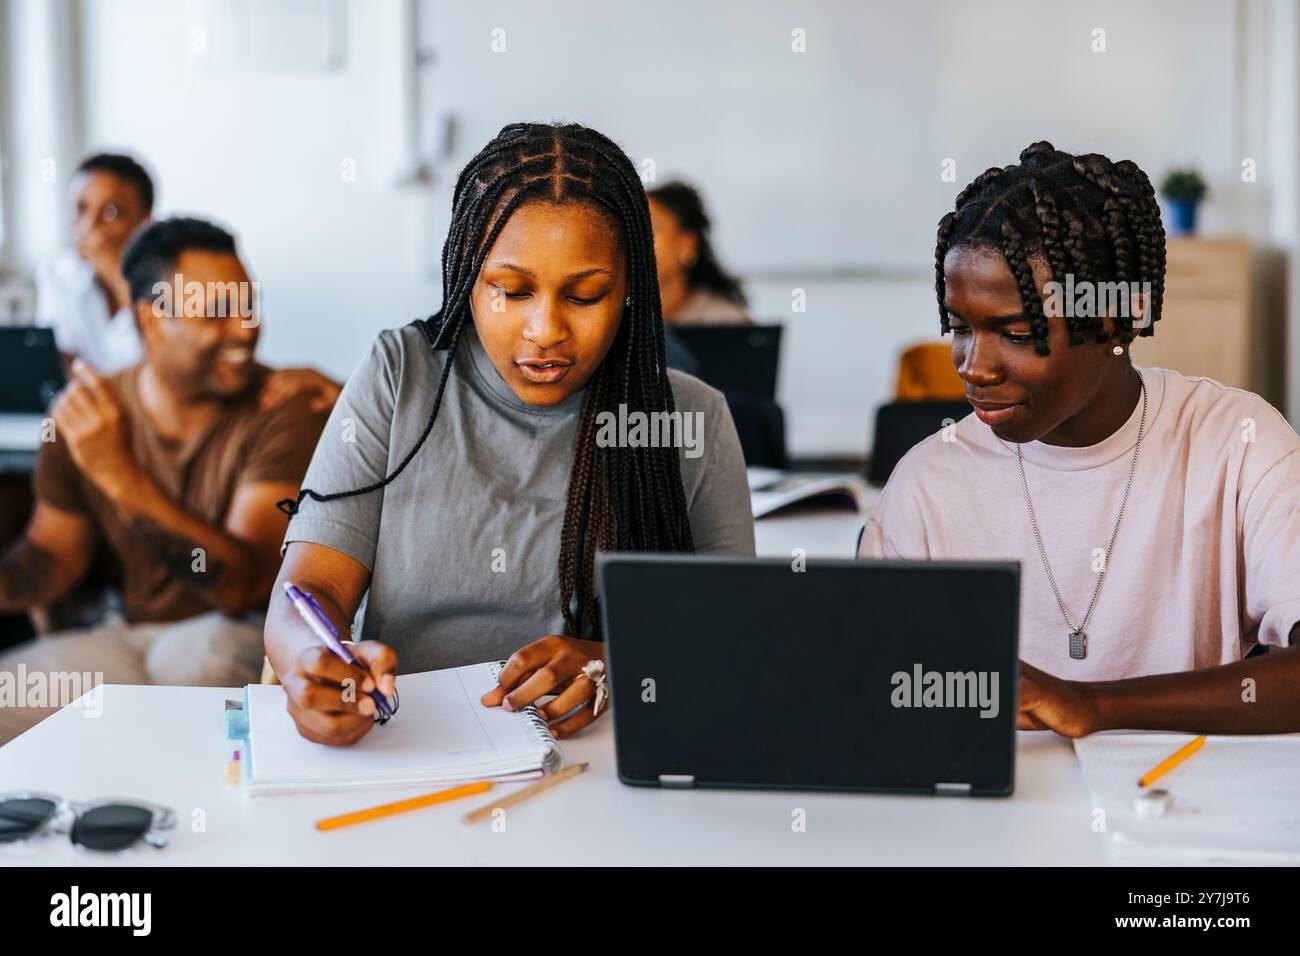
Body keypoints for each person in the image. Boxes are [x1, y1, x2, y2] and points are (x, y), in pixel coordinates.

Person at [265, 123, 755, 747]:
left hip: (606, 767)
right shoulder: (400, 376)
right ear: (468, 276)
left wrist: (623, 661)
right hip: (413, 750)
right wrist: (314, 662)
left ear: (629, 287)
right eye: (512, 291)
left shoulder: (691, 418)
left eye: (585, 295)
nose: (545, 329)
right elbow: (311, 590)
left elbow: (736, 639)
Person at [860, 141, 1300, 736]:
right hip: (988, 818)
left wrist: (1092, 706)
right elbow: (867, 691)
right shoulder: (927, 482)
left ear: (1115, 320)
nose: (973, 366)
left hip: (1179, 809)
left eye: (1014, 332)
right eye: (960, 327)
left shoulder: (1238, 444)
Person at [0, 217, 330, 742]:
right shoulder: (94, 415)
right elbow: (51, 560)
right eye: (218, 313)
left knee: (198, 669)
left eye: (248, 306)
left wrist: (120, 477)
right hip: (125, 640)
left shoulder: (284, 406)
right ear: (151, 322)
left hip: (236, 630)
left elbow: (242, 584)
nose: (245, 329)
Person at [36, 152, 341, 410]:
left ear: (144, 222)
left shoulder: (170, 283)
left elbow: (170, 373)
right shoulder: (59, 277)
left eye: (112, 212)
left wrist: (121, 277)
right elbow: (55, 375)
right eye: (80, 209)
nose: (90, 226)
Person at [647, 181, 750, 325]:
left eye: (651, 230)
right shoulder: (614, 319)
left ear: (687, 244)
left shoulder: (726, 322)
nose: (636, 239)